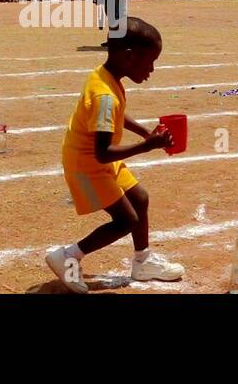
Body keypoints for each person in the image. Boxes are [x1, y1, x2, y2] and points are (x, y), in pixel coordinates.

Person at [45, 17, 184, 293]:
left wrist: (145, 132)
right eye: (150, 61)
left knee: (140, 198)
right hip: (88, 165)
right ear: (129, 57)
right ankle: (68, 256)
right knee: (126, 220)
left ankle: (142, 261)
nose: (152, 69)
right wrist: (148, 146)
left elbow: (116, 116)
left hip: (95, 159)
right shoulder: (104, 96)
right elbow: (103, 151)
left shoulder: (106, 77)